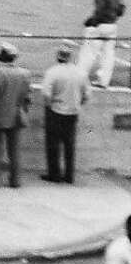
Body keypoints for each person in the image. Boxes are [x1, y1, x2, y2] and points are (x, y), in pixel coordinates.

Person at [0, 43, 32, 188]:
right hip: (16, 114)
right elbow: (27, 97)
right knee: (14, 150)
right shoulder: (25, 74)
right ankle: (15, 180)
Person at [41, 45, 87, 182]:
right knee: (69, 144)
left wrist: (49, 105)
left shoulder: (53, 72)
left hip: (56, 110)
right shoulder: (80, 73)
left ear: (58, 57)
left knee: (53, 144)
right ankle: (69, 175)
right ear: (70, 57)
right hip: (73, 112)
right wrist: (78, 103)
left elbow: (46, 93)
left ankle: (54, 174)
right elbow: (87, 94)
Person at [85, 0, 124, 89]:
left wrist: (92, 21)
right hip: (112, 25)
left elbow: (99, 10)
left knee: (90, 52)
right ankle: (104, 81)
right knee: (108, 55)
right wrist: (112, 15)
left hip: (101, 25)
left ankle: (81, 78)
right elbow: (121, 10)